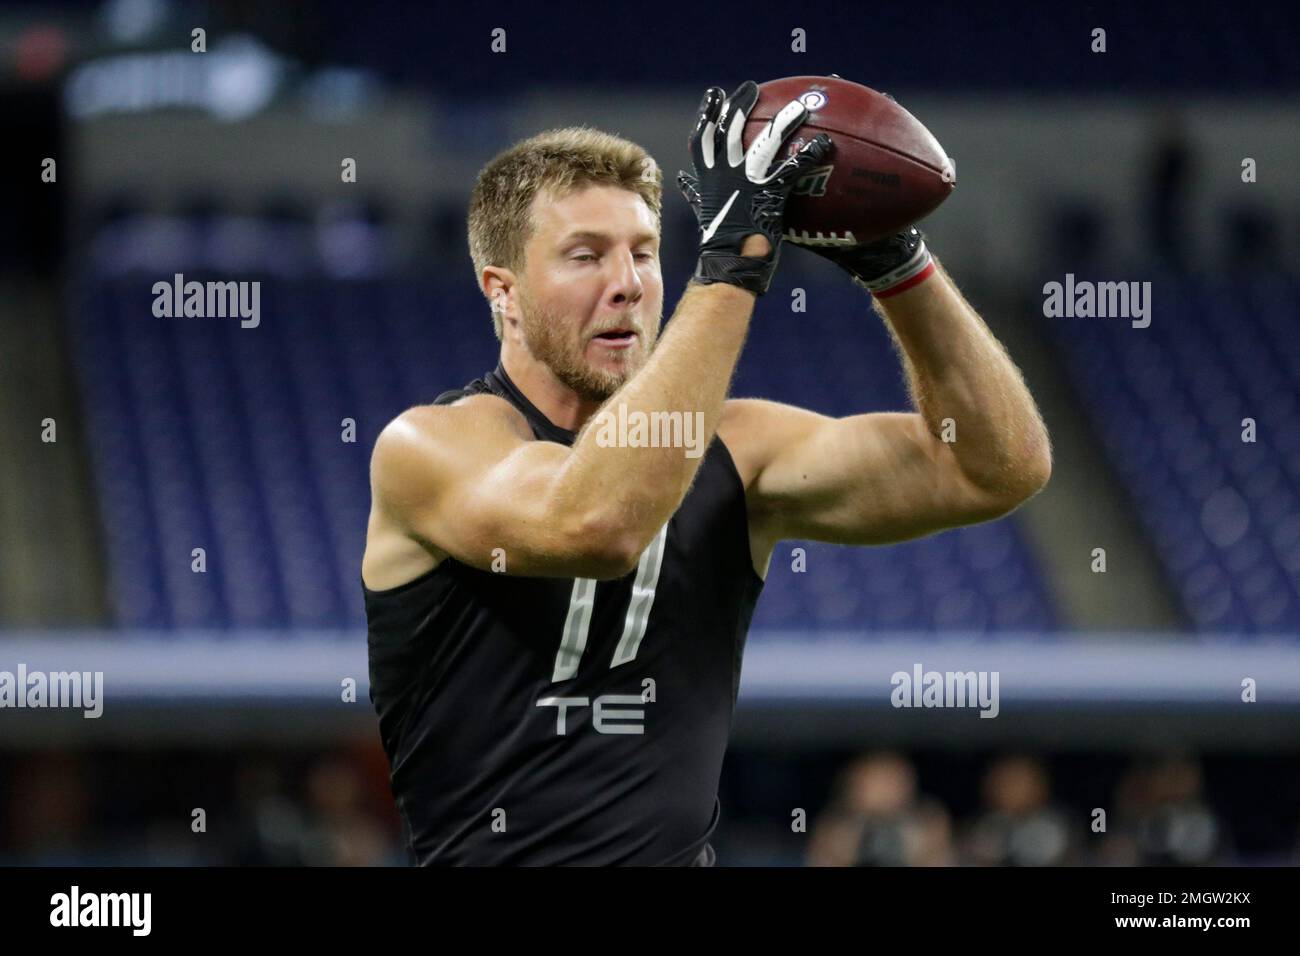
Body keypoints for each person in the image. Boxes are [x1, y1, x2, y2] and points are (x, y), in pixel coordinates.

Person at [361, 81, 1052, 865]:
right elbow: (593, 523)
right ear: (504, 293)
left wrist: (893, 259)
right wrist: (734, 263)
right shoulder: (430, 446)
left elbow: (996, 469)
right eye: (585, 255)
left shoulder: (738, 449)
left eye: (646, 253)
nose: (627, 282)